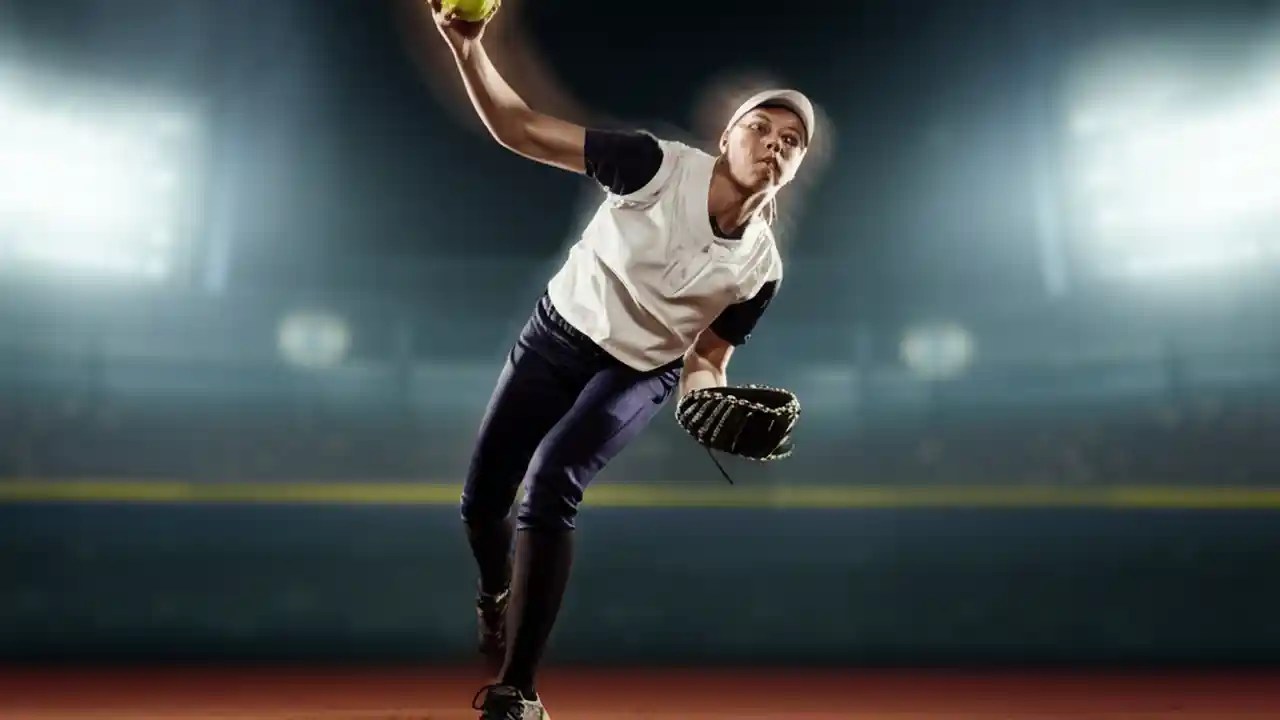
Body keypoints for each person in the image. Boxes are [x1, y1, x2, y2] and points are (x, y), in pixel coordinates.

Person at [422, 2, 817, 717]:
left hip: (636, 372)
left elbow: (708, 356)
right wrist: (467, 47)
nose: (773, 144)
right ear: (726, 136)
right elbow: (520, 128)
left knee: (552, 482)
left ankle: (518, 692)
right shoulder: (654, 165)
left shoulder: (762, 269)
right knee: (481, 506)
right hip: (555, 337)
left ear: (793, 168)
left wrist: (705, 398)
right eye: (760, 126)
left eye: (790, 141)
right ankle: (495, 591)